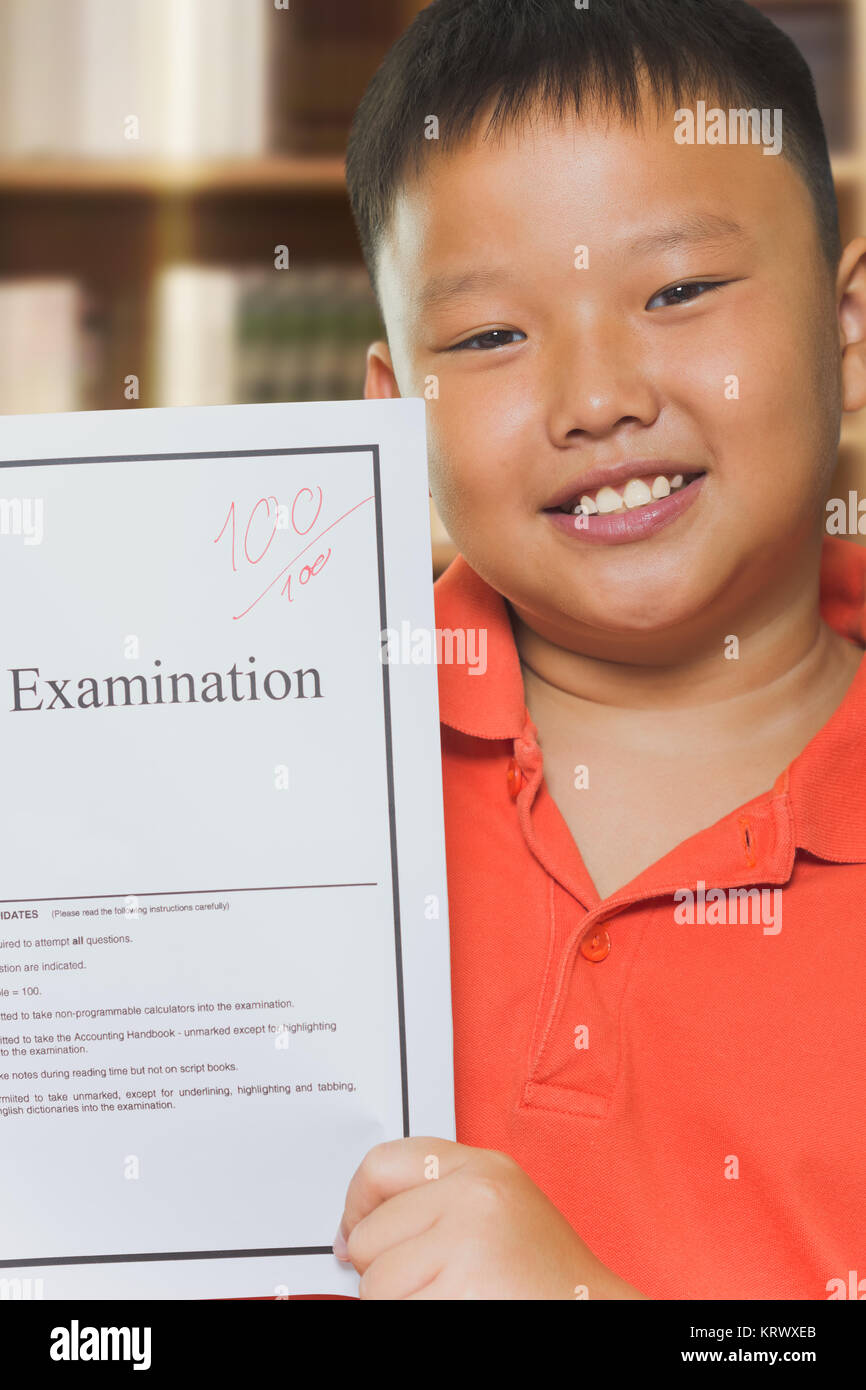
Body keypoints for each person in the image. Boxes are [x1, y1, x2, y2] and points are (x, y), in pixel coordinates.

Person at [332, 0, 866, 1298]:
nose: (596, 399)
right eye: (488, 338)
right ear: (394, 414)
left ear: (847, 333)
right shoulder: (288, 766)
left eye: (676, 290)